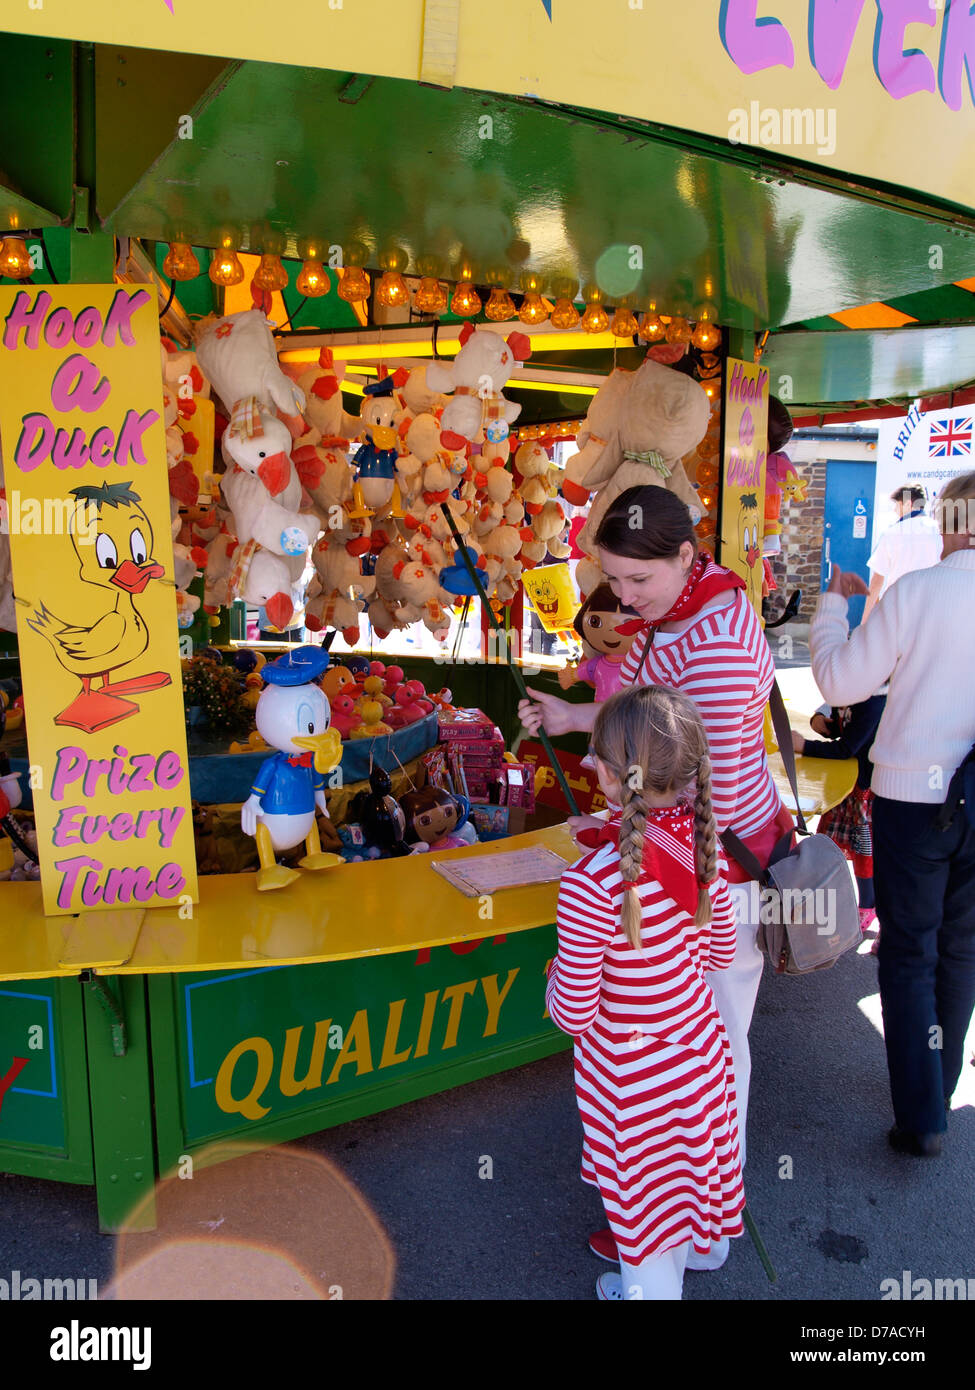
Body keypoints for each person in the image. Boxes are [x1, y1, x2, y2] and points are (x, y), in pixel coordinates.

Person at [519, 485, 791, 1272]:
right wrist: (575, 722)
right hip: (686, 856)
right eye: (612, 581)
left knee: (708, 1058)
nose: (623, 600)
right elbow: (650, 753)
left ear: (684, 556)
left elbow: (675, 777)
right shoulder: (678, 610)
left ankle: (683, 1231)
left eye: (637, 582)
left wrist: (611, 838)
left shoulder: (716, 643)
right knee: (694, 1059)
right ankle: (687, 1217)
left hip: (712, 865)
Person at [546, 685, 744, 1300]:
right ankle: (705, 1250)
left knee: (646, 1211)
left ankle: (652, 1288)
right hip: (699, 1056)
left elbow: (575, 1014)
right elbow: (720, 955)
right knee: (691, 1170)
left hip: (633, 1082)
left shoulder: (590, 884)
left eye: (593, 757)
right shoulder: (704, 850)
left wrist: (553, 980)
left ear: (610, 775)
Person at [809, 470, 975, 1157]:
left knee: (909, 953)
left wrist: (830, 609)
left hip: (914, 798)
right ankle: (935, 1089)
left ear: (951, 521)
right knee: (962, 950)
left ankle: (922, 1115)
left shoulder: (918, 593)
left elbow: (838, 681)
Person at [792, 693, 886, 932]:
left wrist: (804, 746)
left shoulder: (874, 701)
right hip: (847, 784)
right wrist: (822, 723)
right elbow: (843, 729)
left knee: (866, 850)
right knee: (829, 843)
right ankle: (827, 900)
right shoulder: (851, 694)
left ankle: (869, 906)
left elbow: (846, 747)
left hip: (866, 787)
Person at [862, 484, 942, 622]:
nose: (895, 510)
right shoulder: (939, 531)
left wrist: (864, 622)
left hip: (897, 609)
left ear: (908, 503)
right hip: (930, 609)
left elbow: (876, 581)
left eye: (897, 505)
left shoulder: (892, 532)